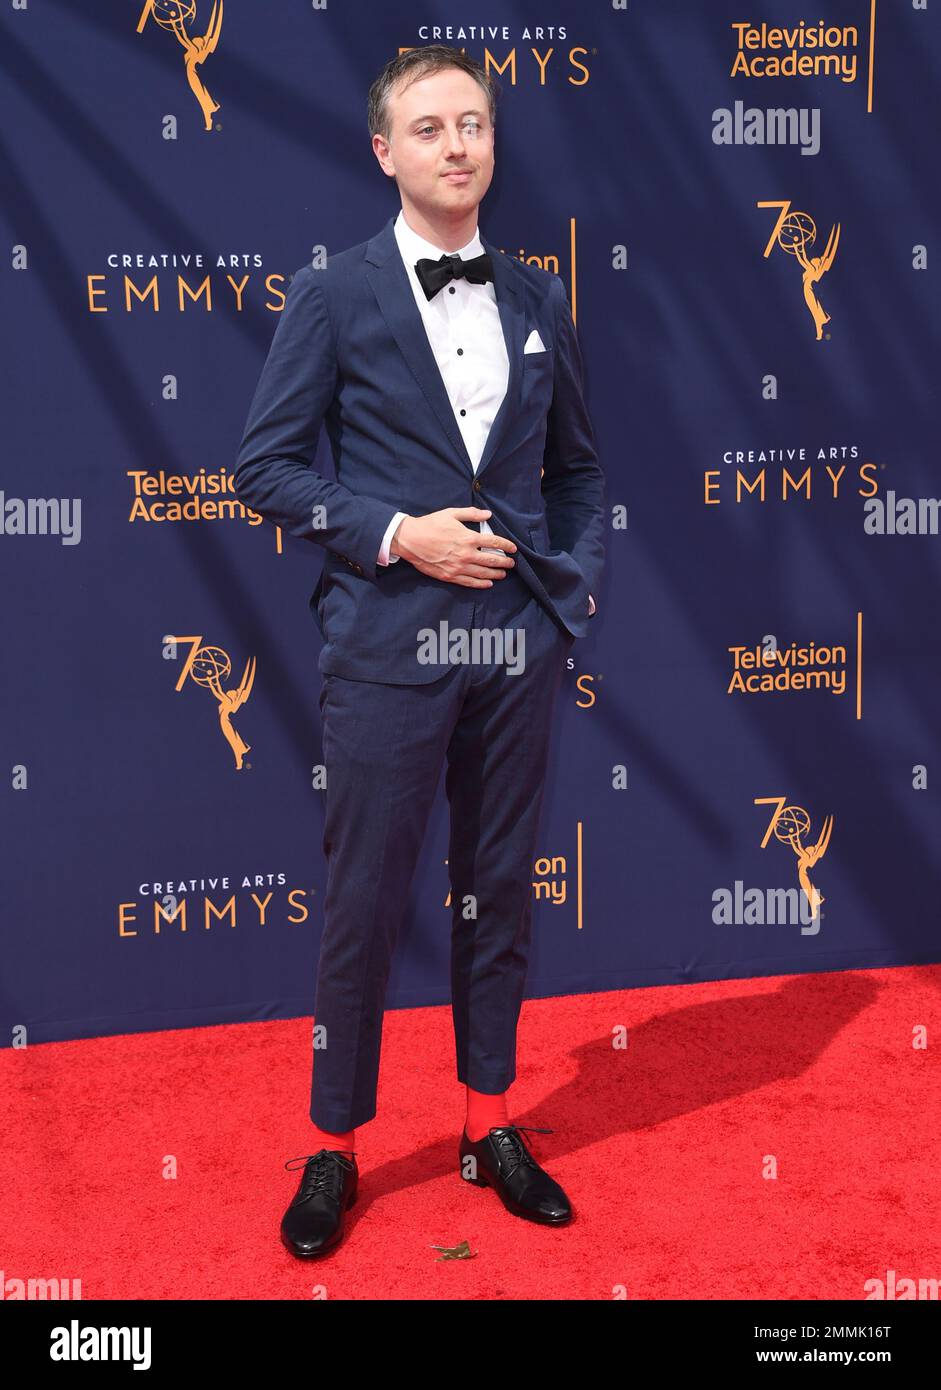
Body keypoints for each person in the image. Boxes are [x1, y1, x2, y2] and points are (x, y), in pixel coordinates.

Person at [234, 43, 605, 1259]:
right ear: (384, 152)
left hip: (513, 649)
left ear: (493, 145)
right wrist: (399, 534)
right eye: (431, 127)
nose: (458, 145)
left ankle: (487, 1123)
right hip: (388, 642)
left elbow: (579, 471)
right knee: (362, 901)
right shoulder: (333, 294)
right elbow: (266, 469)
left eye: (476, 125)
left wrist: (567, 597)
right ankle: (335, 1146)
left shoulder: (539, 298)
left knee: (497, 889)